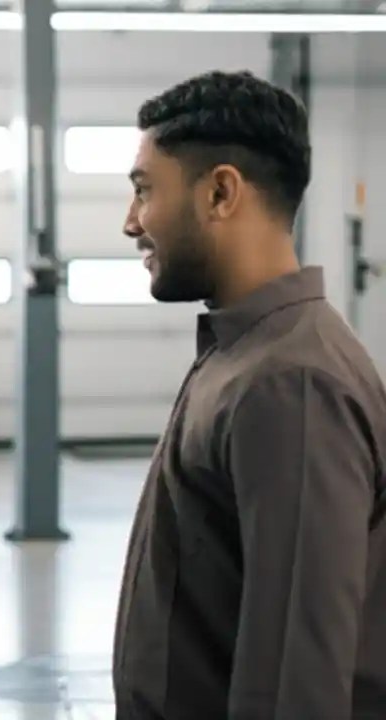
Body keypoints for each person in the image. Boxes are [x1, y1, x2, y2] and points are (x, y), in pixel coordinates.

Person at [113, 69, 386, 719]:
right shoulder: (245, 354)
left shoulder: (292, 385)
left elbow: (296, 680)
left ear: (221, 192)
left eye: (145, 190)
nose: (130, 222)